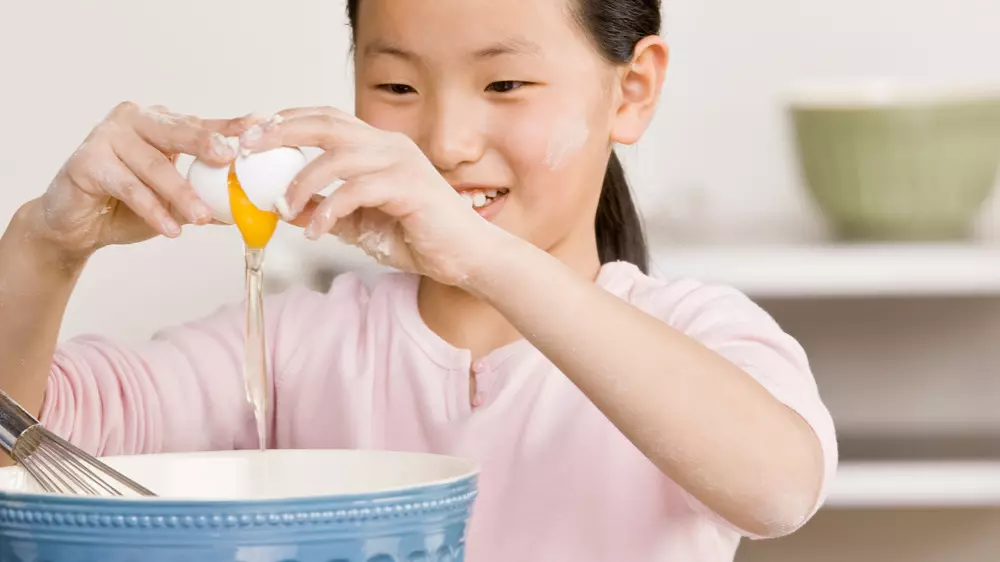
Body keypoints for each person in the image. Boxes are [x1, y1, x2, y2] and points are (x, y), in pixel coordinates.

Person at [0, 0, 837, 559]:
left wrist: (479, 257)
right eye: (396, 86)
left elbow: (778, 488)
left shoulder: (692, 334)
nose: (445, 142)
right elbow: (30, 437)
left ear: (634, 89)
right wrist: (44, 247)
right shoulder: (297, 345)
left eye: (505, 84)